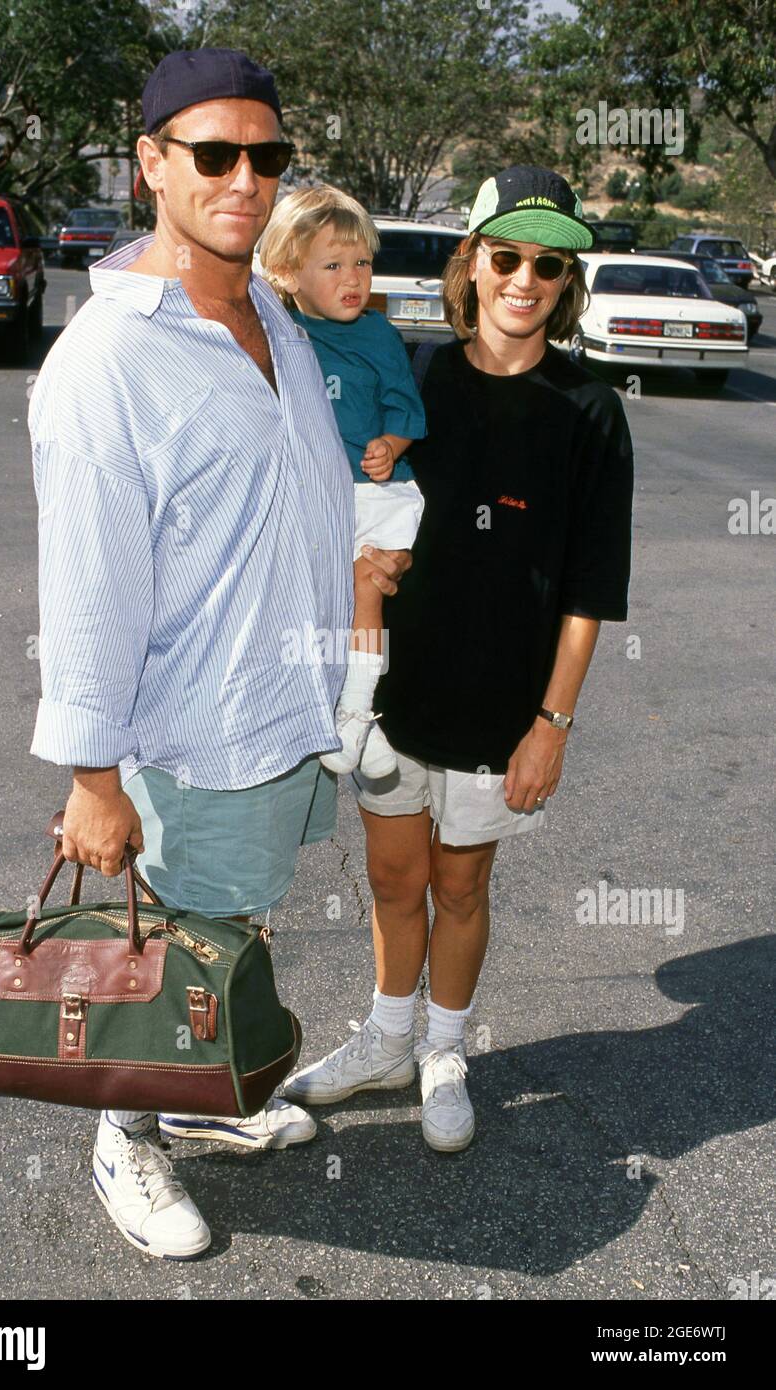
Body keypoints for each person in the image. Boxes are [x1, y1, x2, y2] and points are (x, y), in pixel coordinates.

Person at [28, 47, 410, 1259]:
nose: (246, 179)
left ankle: (200, 1099)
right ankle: (126, 1141)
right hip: (189, 728)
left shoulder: (271, 319)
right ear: (151, 164)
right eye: (214, 154)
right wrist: (92, 779)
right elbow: (88, 580)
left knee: (232, 922)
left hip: (285, 705)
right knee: (173, 937)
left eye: (269, 156)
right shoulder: (109, 357)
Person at [285, 166, 634, 1153]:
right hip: (395, 694)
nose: (525, 278)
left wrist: (551, 726)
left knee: (461, 883)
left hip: (503, 710)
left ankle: (444, 1051)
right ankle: (387, 1036)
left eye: (549, 264)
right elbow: (330, 480)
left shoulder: (592, 411)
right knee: (393, 876)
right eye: (507, 254)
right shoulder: (415, 377)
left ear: (565, 284)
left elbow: (589, 591)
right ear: (471, 263)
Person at [259, 186, 426, 777]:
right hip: (320, 500)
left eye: (362, 263)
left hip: (379, 495)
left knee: (364, 587)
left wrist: (389, 445)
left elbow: (407, 411)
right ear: (286, 272)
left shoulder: (378, 334)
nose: (353, 278)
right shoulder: (277, 332)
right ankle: (364, 732)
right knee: (320, 608)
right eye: (333, 265)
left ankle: (354, 711)